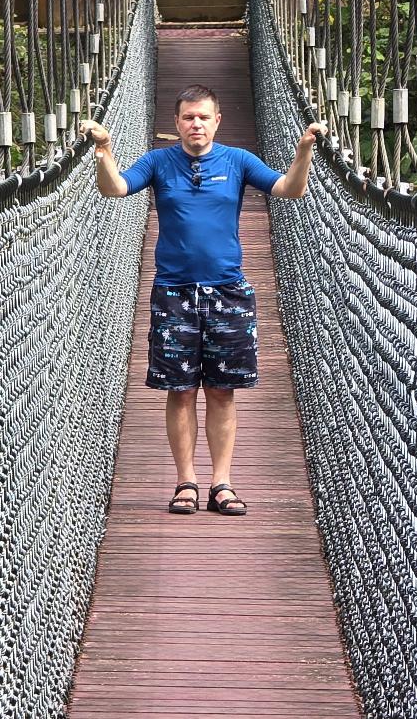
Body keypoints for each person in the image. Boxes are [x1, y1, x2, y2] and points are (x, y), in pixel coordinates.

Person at [80, 86, 324, 516]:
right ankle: (185, 482)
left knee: (222, 391)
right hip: (173, 292)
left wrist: (304, 148)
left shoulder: (238, 161)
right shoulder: (159, 162)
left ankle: (222, 483)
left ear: (217, 121)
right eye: (188, 117)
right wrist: (104, 151)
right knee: (179, 391)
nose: (196, 124)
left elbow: (290, 189)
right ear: (177, 123)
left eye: (203, 117)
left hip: (228, 291)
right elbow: (116, 190)